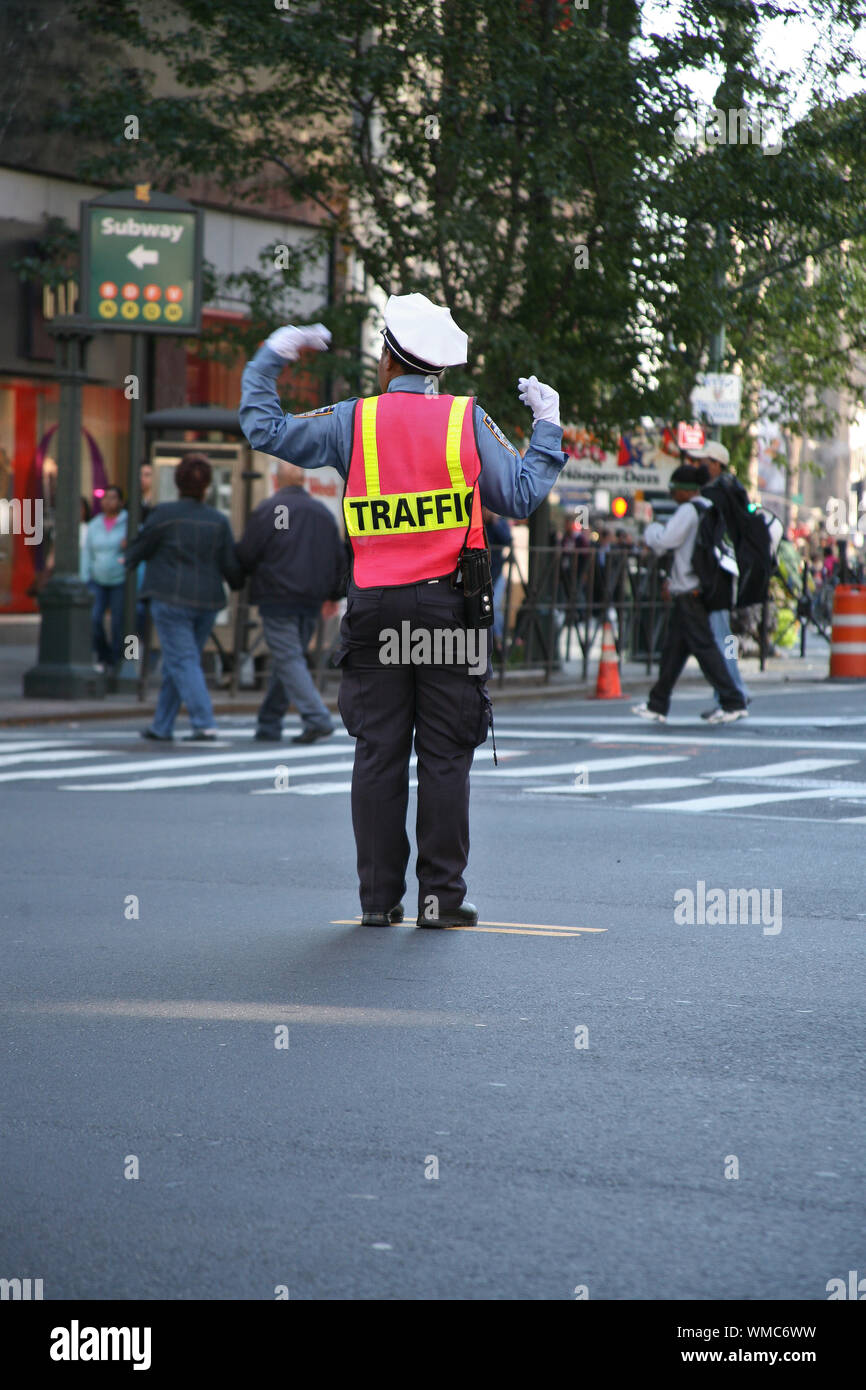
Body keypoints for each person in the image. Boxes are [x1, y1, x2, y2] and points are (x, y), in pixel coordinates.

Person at [239, 293, 566, 928]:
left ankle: (376, 899)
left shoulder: (352, 422)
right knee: (444, 754)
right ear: (436, 371)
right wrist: (546, 424)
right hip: (452, 613)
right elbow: (522, 495)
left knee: (379, 752)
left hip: (376, 614)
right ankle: (440, 899)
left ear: (390, 360)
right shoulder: (465, 421)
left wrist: (271, 357)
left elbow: (265, 428)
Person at [125, 452, 244, 742]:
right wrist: (239, 582)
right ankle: (161, 725)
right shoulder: (217, 519)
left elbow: (140, 548)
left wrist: (127, 560)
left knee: (182, 660)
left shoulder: (163, 514)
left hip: (169, 596)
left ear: (178, 482)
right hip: (207, 600)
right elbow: (231, 565)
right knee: (180, 661)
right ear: (207, 486)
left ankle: (204, 722)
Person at [236, 460, 347, 743]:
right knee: (288, 659)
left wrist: (239, 577)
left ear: (277, 481)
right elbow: (338, 557)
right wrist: (333, 595)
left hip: (277, 596)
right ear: (303, 482)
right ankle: (269, 721)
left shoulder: (268, 510)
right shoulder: (322, 512)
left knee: (288, 658)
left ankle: (317, 718)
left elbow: (247, 554)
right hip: (311, 598)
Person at [632, 463, 748, 724]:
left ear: (685, 491)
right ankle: (657, 704)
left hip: (690, 591)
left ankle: (733, 701)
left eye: (674, 489)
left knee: (706, 650)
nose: (672, 494)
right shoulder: (708, 507)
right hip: (696, 589)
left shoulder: (688, 509)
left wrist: (650, 531)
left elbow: (665, 542)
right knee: (673, 651)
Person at [689, 439, 750, 718]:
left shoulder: (718, 492)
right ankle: (730, 693)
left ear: (716, 464)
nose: (700, 466)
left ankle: (733, 695)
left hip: (721, 575)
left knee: (721, 639)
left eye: (704, 461)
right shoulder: (730, 489)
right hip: (727, 573)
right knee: (722, 638)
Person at [82, 483, 127, 672]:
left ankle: (123, 658)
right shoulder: (94, 525)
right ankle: (104, 655)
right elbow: (87, 553)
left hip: (120, 579)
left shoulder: (129, 523)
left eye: (113, 497)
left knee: (121, 622)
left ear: (121, 502)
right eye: (105, 497)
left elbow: (138, 550)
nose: (108, 501)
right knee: (93, 618)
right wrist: (85, 579)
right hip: (97, 578)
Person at [482, 506, 513, 654]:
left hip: (497, 573)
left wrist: (494, 521)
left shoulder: (498, 523)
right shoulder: (480, 523)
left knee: (494, 607)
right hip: (482, 574)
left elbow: (507, 539)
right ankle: (491, 642)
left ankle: (498, 642)